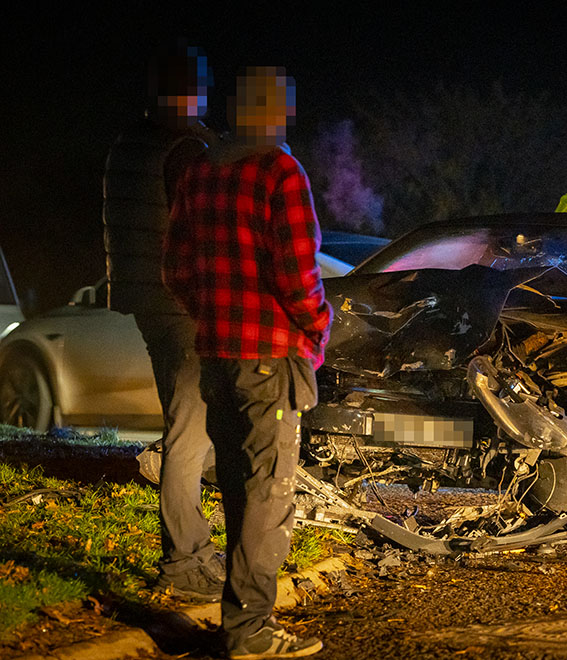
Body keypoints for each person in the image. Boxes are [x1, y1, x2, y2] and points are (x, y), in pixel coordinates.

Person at [164, 66, 329, 659]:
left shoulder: (199, 171)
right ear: (277, 112)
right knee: (269, 493)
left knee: (237, 485)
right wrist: (316, 327)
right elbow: (299, 273)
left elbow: (176, 268)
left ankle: (240, 619)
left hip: (217, 353)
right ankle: (250, 631)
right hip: (271, 356)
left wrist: (208, 313)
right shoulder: (280, 172)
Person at [103, 42, 224, 601]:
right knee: (188, 433)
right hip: (184, 305)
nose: (205, 98)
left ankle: (193, 540)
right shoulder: (185, 146)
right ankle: (185, 560)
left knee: (187, 427)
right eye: (199, 89)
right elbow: (202, 228)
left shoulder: (130, 140)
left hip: (143, 299)